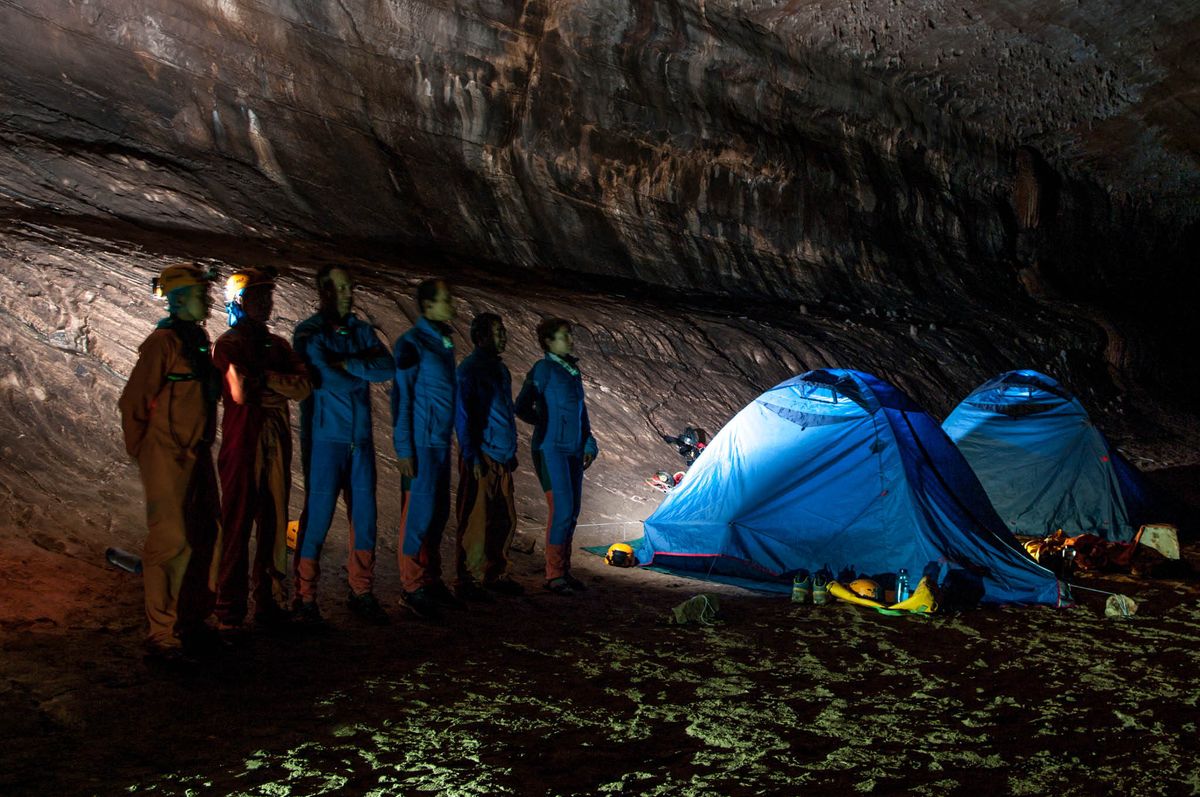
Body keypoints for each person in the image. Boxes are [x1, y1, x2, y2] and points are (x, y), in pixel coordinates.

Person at [118, 263, 223, 663]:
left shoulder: (196, 337)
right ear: (180, 299)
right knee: (171, 539)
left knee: (206, 531)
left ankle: (194, 619)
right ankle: (163, 634)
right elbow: (133, 401)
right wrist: (143, 450)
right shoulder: (162, 343)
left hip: (195, 452)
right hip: (167, 452)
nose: (208, 300)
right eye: (201, 294)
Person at [292, 265, 393, 625]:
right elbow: (326, 378)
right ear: (324, 292)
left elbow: (387, 367)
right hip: (326, 439)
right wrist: (360, 368)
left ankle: (361, 590)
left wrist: (349, 362)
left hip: (359, 440)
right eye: (341, 287)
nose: (348, 293)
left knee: (365, 517)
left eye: (350, 286)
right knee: (317, 517)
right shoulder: (309, 332)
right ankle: (304, 596)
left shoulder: (361, 331)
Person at [212, 268, 311, 630]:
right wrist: (274, 384)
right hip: (244, 441)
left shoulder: (277, 345)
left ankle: (268, 601)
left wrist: (264, 380)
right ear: (241, 300)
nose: (267, 304)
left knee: (272, 521)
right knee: (237, 523)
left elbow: (302, 388)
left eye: (268, 297)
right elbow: (240, 392)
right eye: (259, 297)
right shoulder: (228, 345)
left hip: (272, 440)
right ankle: (229, 609)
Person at [515, 318, 599, 595]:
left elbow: (581, 413)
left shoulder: (571, 371)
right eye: (565, 336)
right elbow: (523, 405)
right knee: (561, 509)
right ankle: (553, 575)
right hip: (550, 448)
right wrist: (545, 422)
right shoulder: (544, 369)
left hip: (572, 449)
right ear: (549, 342)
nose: (570, 341)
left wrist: (588, 442)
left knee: (572, 511)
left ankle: (563, 570)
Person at [392, 279, 459, 620]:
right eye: (447, 299)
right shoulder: (411, 343)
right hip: (420, 441)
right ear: (428, 305)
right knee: (417, 515)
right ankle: (411, 585)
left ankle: (430, 578)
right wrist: (404, 447)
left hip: (439, 441)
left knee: (438, 512)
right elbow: (401, 398)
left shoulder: (444, 342)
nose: (453, 304)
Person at [453, 312, 524, 601]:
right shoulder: (471, 370)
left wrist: (511, 451)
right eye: (497, 332)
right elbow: (465, 416)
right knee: (475, 519)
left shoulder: (499, 369)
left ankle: (494, 573)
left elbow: (504, 413)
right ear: (481, 337)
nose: (503, 336)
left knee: (503, 518)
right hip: (482, 455)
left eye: (503, 331)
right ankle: (467, 578)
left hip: (501, 455)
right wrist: (472, 456)